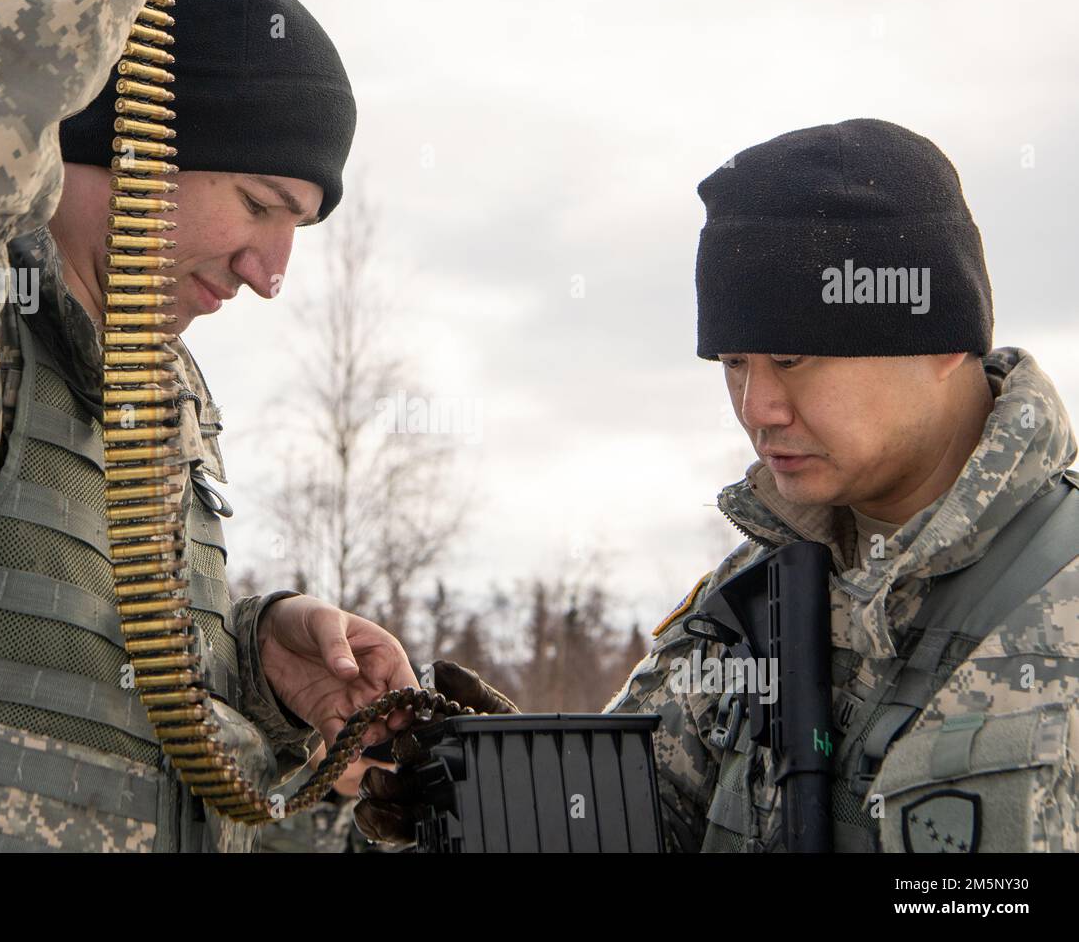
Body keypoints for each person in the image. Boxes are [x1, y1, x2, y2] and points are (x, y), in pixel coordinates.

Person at [0, 0, 417, 852]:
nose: (271, 272)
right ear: (128, 143)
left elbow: (84, 719)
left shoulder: (159, 400)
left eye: (296, 226)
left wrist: (249, 670)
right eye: (261, 204)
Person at [356, 119, 1079, 853]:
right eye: (734, 363)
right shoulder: (748, 607)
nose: (757, 408)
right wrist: (503, 792)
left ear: (941, 341)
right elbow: (648, 824)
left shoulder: (1060, 586)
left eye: (793, 359)